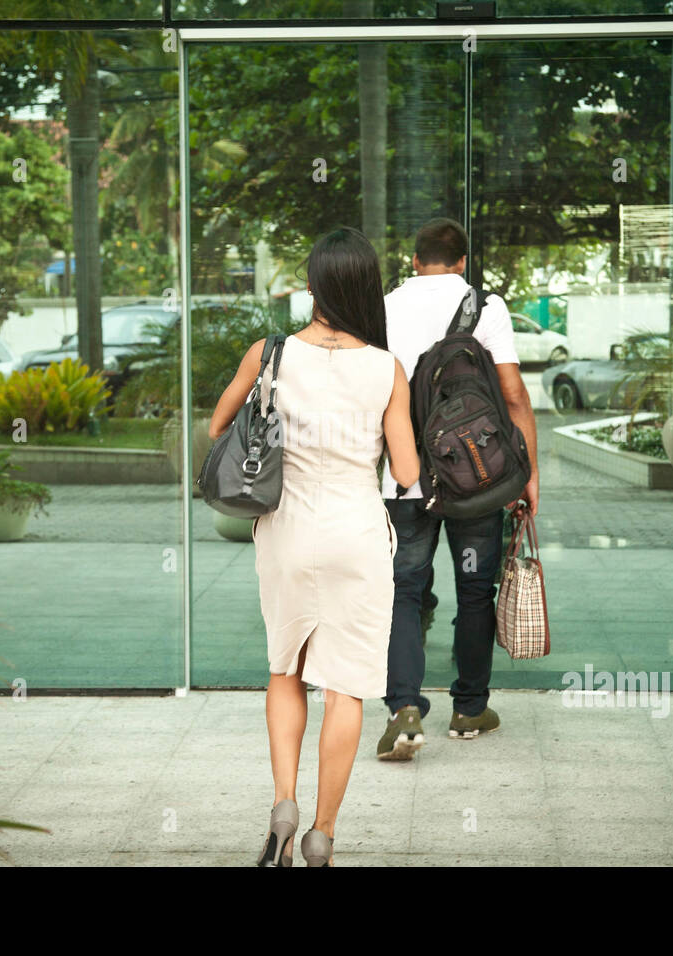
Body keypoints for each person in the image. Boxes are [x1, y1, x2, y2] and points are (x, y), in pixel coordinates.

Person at [209, 226, 419, 866]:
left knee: (286, 669)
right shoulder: (386, 368)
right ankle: (322, 835)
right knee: (348, 689)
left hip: (286, 530)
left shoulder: (268, 354)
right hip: (356, 532)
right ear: (366, 288)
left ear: (312, 286)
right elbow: (406, 473)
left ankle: (283, 804)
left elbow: (219, 427)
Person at [377, 217, 539, 760]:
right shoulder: (485, 307)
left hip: (405, 478)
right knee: (475, 590)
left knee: (403, 589)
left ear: (414, 260)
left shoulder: (383, 306)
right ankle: (469, 709)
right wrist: (528, 472)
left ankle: (403, 708)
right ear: (463, 261)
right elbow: (513, 395)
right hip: (476, 477)